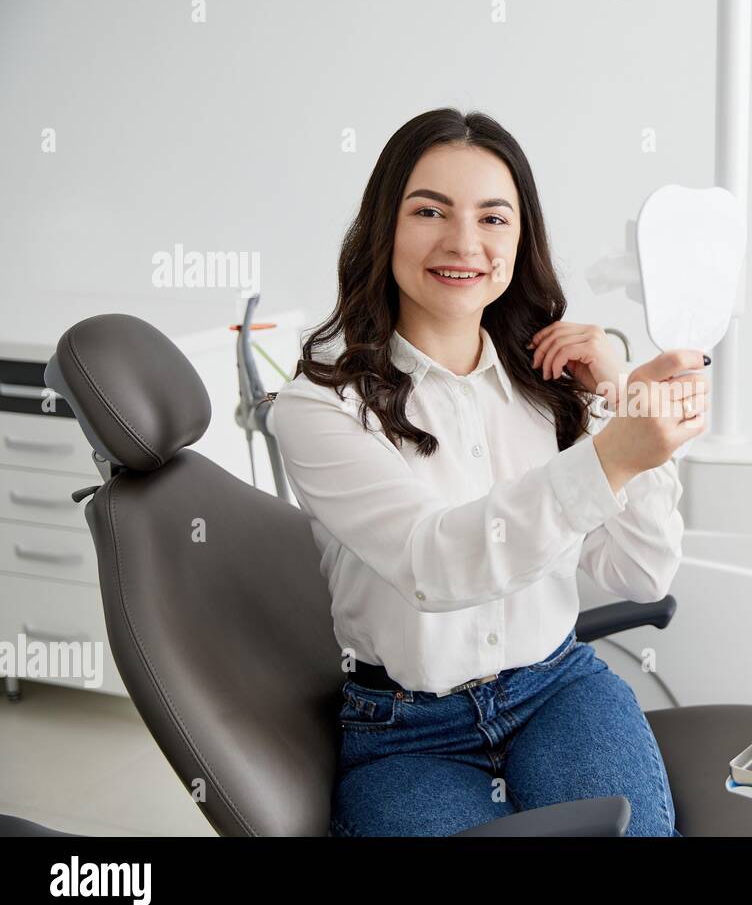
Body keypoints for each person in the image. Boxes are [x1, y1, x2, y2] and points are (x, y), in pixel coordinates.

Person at [270, 107, 709, 836]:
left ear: (520, 239)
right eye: (429, 211)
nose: (463, 242)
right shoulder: (320, 409)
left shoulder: (552, 385)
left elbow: (641, 574)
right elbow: (433, 562)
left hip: (557, 690)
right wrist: (613, 454)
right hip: (406, 728)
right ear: (385, 227)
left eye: (493, 219)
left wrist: (619, 394)